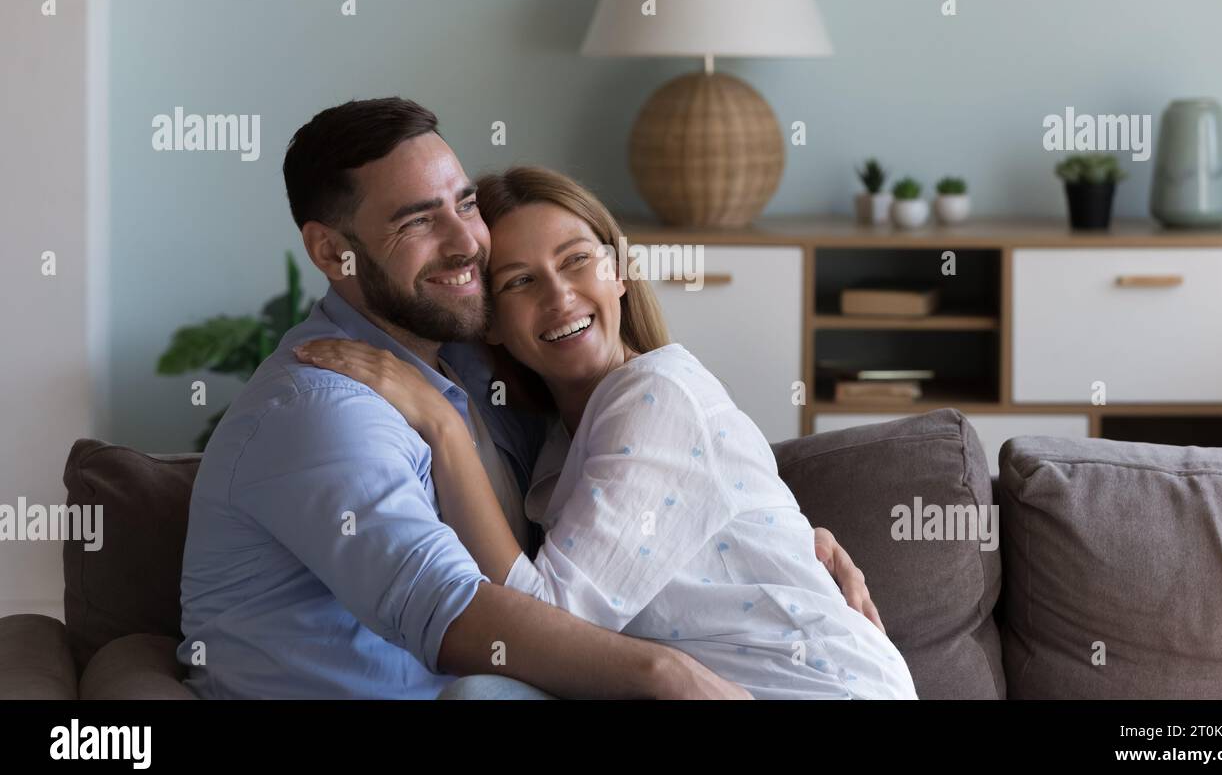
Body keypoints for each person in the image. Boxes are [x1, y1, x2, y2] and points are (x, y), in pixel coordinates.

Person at [179, 96, 876, 699]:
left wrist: (792, 539)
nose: (465, 245)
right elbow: (458, 616)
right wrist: (666, 673)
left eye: (465, 204)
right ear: (334, 254)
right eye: (418, 221)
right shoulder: (325, 411)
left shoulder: (477, 377)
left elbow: (661, 498)